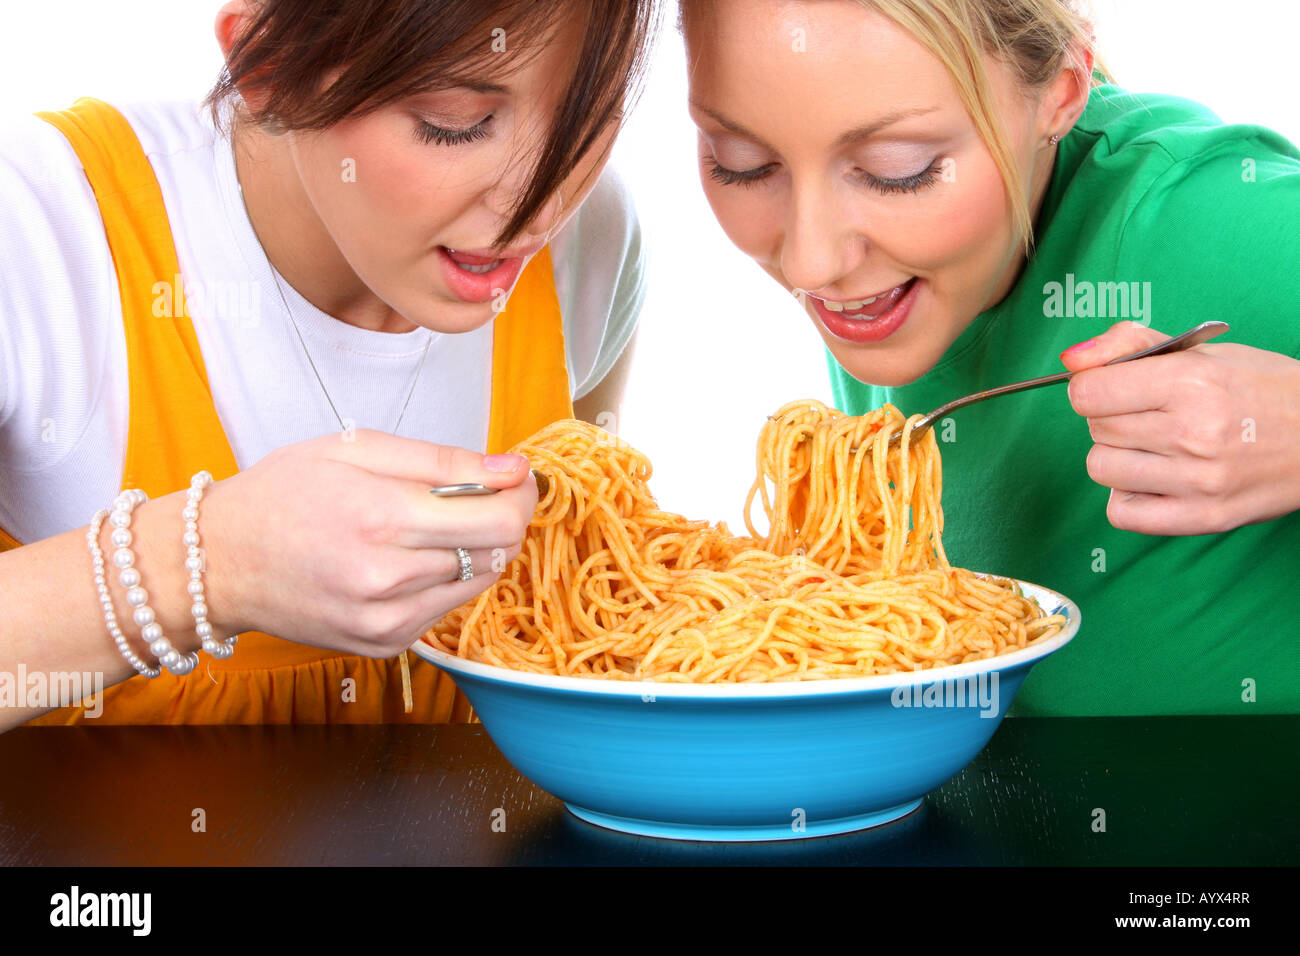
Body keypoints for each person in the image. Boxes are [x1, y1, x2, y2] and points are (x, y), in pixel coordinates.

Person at [0, 0, 660, 731]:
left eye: (589, 115)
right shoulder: (38, 226)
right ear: (268, 65)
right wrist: (209, 562)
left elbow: (587, 617)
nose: (537, 204)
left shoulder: (589, 242)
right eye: (456, 120)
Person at [680, 0, 1300, 715]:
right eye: (744, 164)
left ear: (1063, 91)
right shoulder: (884, 294)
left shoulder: (1213, 219)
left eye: (897, 170)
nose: (808, 262)